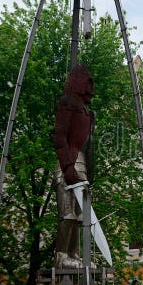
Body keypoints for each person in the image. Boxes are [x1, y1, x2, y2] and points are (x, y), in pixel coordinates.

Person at [53, 65, 95, 268]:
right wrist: (67, 167)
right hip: (66, 164)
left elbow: (88, 145)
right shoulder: (67, 103)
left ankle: (74, 254)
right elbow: (59, 137)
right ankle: (61, 256)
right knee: (67, 213)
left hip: (82, 164)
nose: (91, 90)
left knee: (79, 215)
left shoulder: (87, 112)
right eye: (88, 83)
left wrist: (90, 173)